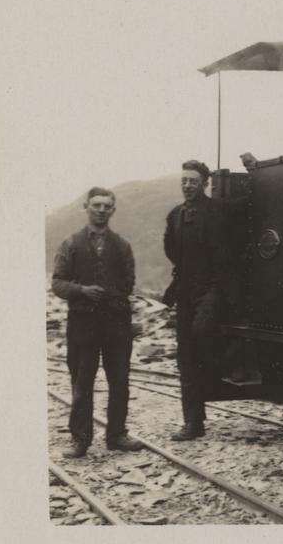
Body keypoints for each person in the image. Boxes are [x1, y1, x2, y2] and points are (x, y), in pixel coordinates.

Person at [51, 187, 144, 458]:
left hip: (117, 324)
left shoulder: (122, 246)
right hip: (83, 325)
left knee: (119, 381)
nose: (101, 210)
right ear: (86, 207)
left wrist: (106, 294)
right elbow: (58, 283)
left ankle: (117, 435)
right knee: (82, 382)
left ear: (113, 210)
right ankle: (80, 440)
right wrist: (82, 291)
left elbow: (128, 283)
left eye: (106, 206)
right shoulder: (70, 244)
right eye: (96, 205)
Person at [163, 159, 235, 440]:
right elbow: (170, 247)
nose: (187, 185)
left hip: (213, 287)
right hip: (185, 290)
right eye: (184, 181)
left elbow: (251, 206)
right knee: (186, 356)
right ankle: (193, 423)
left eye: (193, 181)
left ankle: (221, 371)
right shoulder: (175, 215)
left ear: (204, 183)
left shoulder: (220, 209)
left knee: (202, 334)